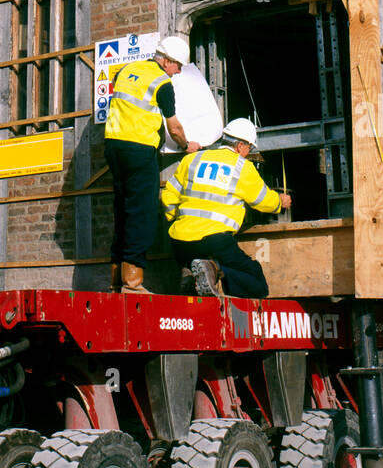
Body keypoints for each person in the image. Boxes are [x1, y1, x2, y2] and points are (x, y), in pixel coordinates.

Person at [104, 36, 196, 294]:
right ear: (166, 60)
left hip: (113, 147)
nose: (178, 70)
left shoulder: (126, 70)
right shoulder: (162, 83)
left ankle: (114, 281)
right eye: (177, 65)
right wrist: (186, 144)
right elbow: (174, 127)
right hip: (139, 150)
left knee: (122, 212)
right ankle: (132, 284)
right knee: (142, 214)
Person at [160, 117, 291, 300]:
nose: (248, 153)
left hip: (180, 241)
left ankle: (191, 274)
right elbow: (263, 200)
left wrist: (176, 220)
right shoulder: (242, 167)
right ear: (239, 146)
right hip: (215, 242)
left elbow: (168, 195)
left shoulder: (193, 159)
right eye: (249, 148)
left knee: (196, 273)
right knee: (257, 283)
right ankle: (214, 269)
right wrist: (280, 202)